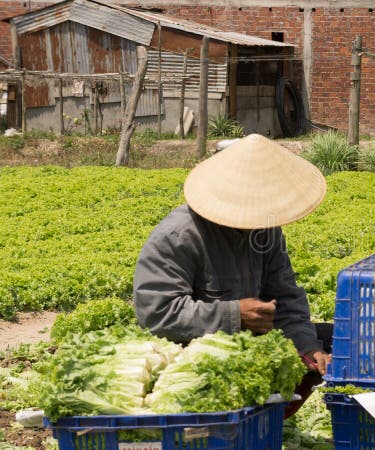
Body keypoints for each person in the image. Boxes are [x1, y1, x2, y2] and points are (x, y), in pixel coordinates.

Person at [133, 134, 330, 418]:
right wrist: (234, 315)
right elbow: (158, 314)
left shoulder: (266, 229)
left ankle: (273, 419)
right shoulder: (178, 237)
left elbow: (285, 297)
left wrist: (308, 347)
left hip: (249, 347)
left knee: (333, 340)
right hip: (192, 360)